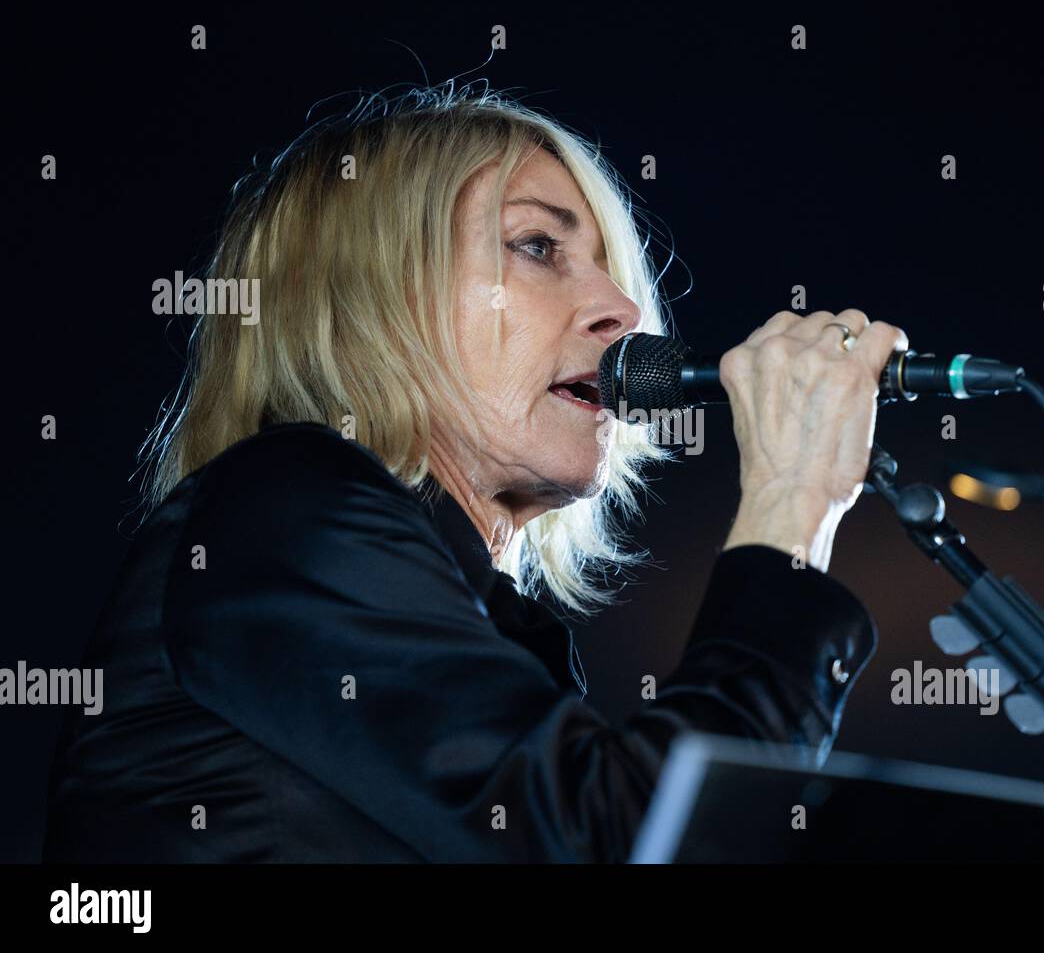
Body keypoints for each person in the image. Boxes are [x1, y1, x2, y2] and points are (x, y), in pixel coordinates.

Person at [42, 82, 908, 863]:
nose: (623, 309)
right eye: (538, 246)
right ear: (368, 298)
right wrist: (791, 500)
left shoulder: (480, 627)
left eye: (608, 265)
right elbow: (623, 843)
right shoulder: (282, 509)